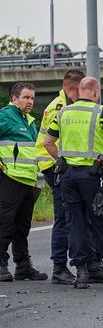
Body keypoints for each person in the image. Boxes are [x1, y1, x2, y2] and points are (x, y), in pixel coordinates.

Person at [41, 77, 103, 289]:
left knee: (75, 224)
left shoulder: (63, 113)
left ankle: (81, 273)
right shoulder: (102, 112)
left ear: (79, 91)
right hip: (93, 176)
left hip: (68, 177)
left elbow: (47, 142)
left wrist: (61, 161)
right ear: (95, 92)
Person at [34, 69, 91, 285]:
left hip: (60, 166)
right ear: (74, 89)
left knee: (72, 215)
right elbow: (50, 143)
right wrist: (62, 163)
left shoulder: (67, 104)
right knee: (64, 217)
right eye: (82, 90)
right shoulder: (58, 107)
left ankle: (76, 264)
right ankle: (59, 267)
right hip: (53, 165)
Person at [0, 83, 48, 281]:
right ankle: (1, 265)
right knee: (4, 224)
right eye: (26, 97)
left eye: (32, 98)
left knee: (22, 227)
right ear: (14, 98)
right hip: (9, 179)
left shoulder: (29, 120)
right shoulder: (5, 115)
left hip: (28, 180)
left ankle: (23, 266)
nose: (30, 102)